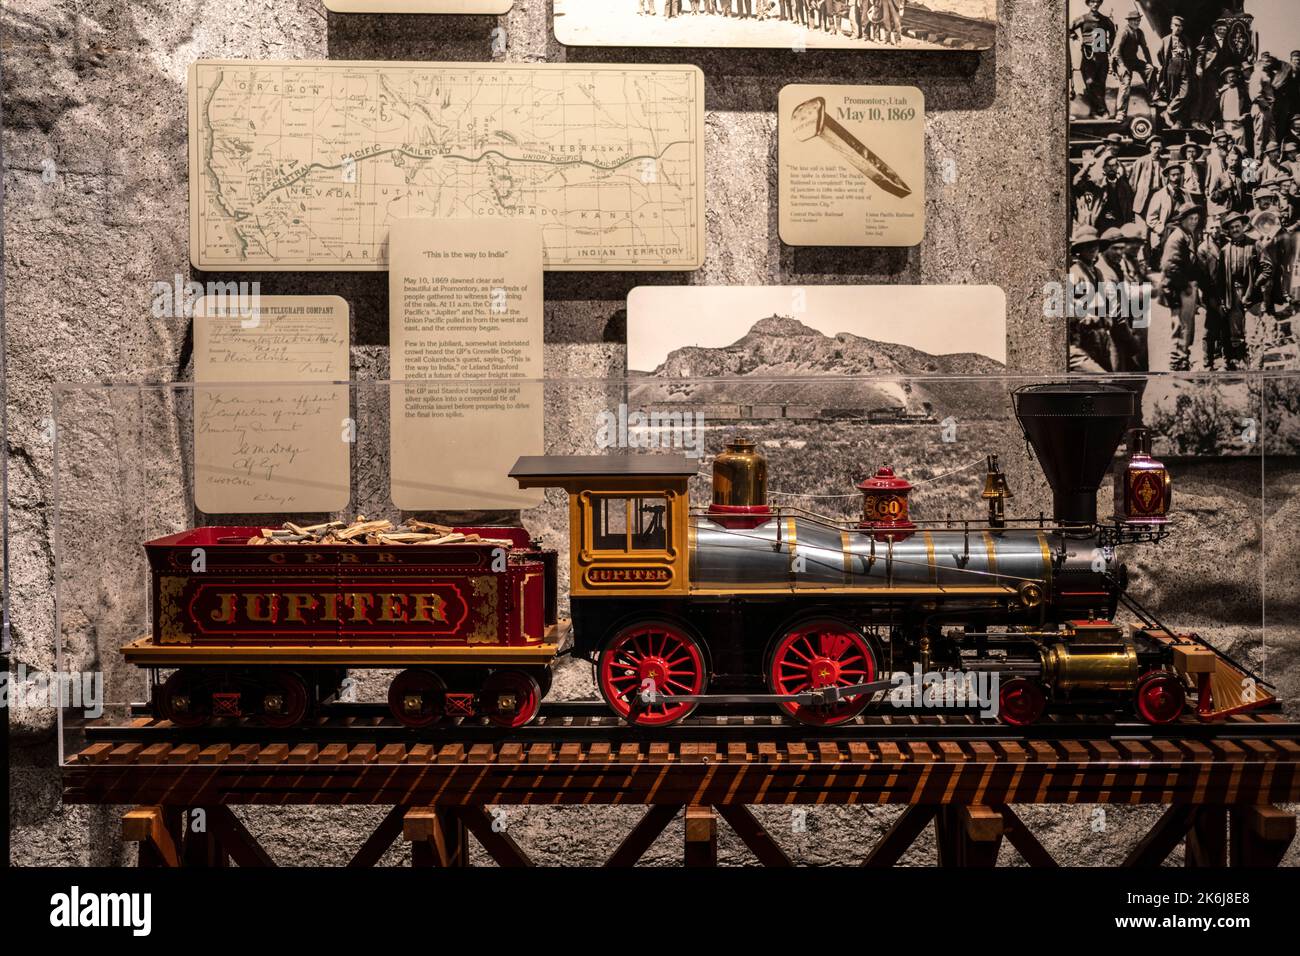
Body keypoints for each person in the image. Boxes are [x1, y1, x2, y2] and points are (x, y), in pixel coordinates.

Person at [1218, 210, 1274, 367]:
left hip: (1252, 294)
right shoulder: (1225, 250)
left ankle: (1256, 367)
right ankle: (1241, 365)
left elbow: (1267, 268)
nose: (1235, 230)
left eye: (1237, 226)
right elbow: (1220, 279)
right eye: (1232, 228)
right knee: (1236, 334)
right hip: (1232, 294)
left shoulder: (1254, 244)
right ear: (1228, 231)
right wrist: (1223, 299)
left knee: (1254, 331)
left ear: (1243, 226)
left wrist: (1255, 286)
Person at [1158, 203, 1203, 370]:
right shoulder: (1177, 238)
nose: (1194, 222)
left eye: (1196, 218)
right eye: (1190, 218)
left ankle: (1183, 358)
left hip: (1184, 287)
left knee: (1186, 326)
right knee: (1181, 326)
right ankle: (1177, 362)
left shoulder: (1187, 235)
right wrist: (1185, 286)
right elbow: (1169, 266)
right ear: (1182, 220)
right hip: (1179, 289)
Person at [1069, 225, 1112, 372]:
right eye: (1086, 246)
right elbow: (1069, 304)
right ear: (1079, 250)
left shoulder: (1098, 272)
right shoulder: (1075, 273)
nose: (1092, 248)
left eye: (1095, 245)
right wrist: (1086, 317)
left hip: (1100, 335)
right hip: (1083, 335)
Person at [1071, 0, 1115, 118]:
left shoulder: (1105, 20)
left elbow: (1112, 32)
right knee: (1090, 83)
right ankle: (1102, 110)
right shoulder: (1083, 18)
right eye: (1092, 2)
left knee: (1100, 85)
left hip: (1102, 57)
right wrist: (1076, 38)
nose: (1095, 4)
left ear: (1100, 4)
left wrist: (1109, 46)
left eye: (1097, 2)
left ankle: (1095, 112)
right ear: (1088, 4)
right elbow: (1069, 28)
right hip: (1088, 57)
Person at [1112, 10, 1154, 122]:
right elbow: (1116, 51)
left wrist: (1150, 63)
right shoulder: (1124, 32)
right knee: (1125, 82)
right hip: (1121, 61)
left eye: (1138, 20)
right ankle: (1120, 112)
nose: (1137, 22)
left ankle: (1153, 98)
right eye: (1134, 20)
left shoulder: (1139, 32)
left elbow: (1145, 48)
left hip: (1133, 60)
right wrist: (1121, 66)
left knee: (1150, 69)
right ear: (1129, 21)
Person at [1157, 15, 1195, 128]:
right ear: (1171, 26)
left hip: (1185, 67)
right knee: (1173, 94)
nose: (1178, 28)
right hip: (1172, 66)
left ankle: (1168, 112)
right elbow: (1159, 55)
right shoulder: (1165, 40)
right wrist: (1166, 65)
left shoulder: (1186, 40)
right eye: (1176, 25)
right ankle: (1177, 121)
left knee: (1185, 93)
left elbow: (1191, 54)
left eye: (1181, 26)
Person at [1146, 157, 1187, 258]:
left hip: (1182, 229)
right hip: (1166, 231)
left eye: (1178, 174)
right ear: (1168, 176)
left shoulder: (1185, 194)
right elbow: (1151, 218)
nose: (1176, 178)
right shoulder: (1159, 195)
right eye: (1173, 175)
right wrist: (1162, 230)